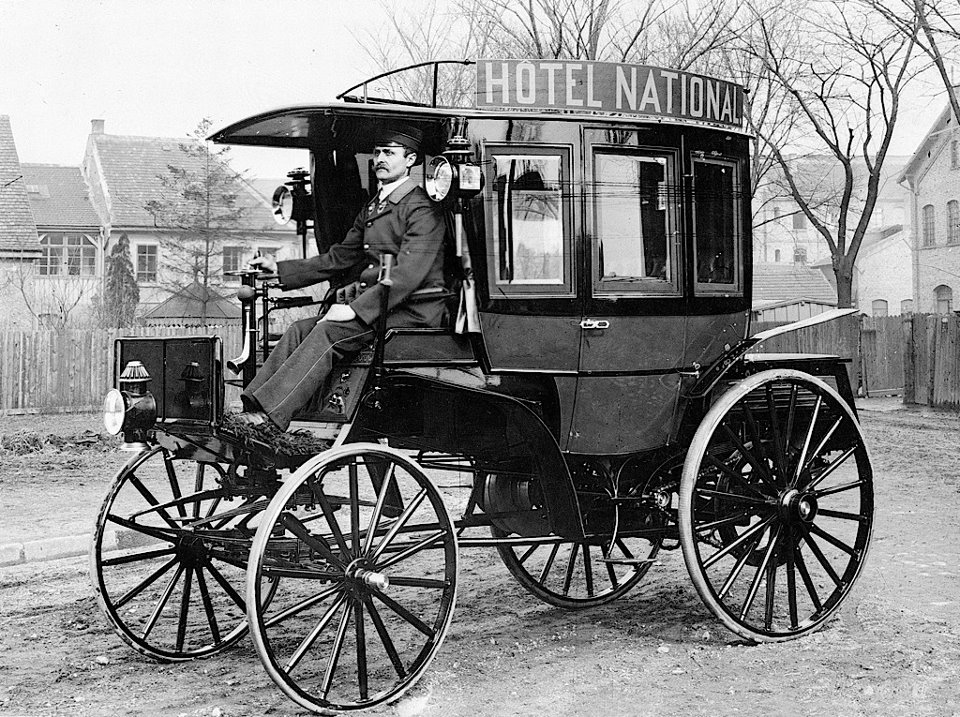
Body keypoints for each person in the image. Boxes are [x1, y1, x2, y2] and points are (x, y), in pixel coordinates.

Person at [234, 123, 447, 430]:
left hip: (412, 312)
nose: (380, 159)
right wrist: (280, 270)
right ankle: (251, 406)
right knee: (298, 329)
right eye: (377, 153)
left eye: (390, 153)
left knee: (328, 332)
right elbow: (339, 256)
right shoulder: (375, 207)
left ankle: (270, 416)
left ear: (410, 160)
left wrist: (355, 309)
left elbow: (406, 275)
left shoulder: (421, 209)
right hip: (382, 307)